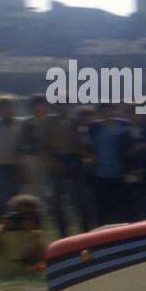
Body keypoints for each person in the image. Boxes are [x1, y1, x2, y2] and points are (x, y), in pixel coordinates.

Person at [39, 99, 91, 236]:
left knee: (81, 199)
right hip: (57, 160)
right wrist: (53, 163)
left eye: (67, 104)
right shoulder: (48, 122)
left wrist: (87, 156)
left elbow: (80, 143)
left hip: (75, 160)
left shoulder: (75, 122)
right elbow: (42, 147)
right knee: (58, 201)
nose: (64, 106)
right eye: (61, 104)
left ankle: (85, 232)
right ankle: (64, 234)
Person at [85, 101, 132, 225]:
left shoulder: (125, 124)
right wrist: (91, 157)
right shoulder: (93, 128)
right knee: (103, 209)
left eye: (110, 110)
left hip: (122, 172)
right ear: (100, 113)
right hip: (101, 173)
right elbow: (86, 145)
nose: (108, 113)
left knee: (122, 208)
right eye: (104, 110)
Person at [0, 193, 45, 277]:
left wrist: (33, 237)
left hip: (24, 277)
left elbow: (39, 260)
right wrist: (2, 231)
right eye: (22, 215)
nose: (26, 219)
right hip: (1, 275)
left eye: (30, 215)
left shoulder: (35, 233)